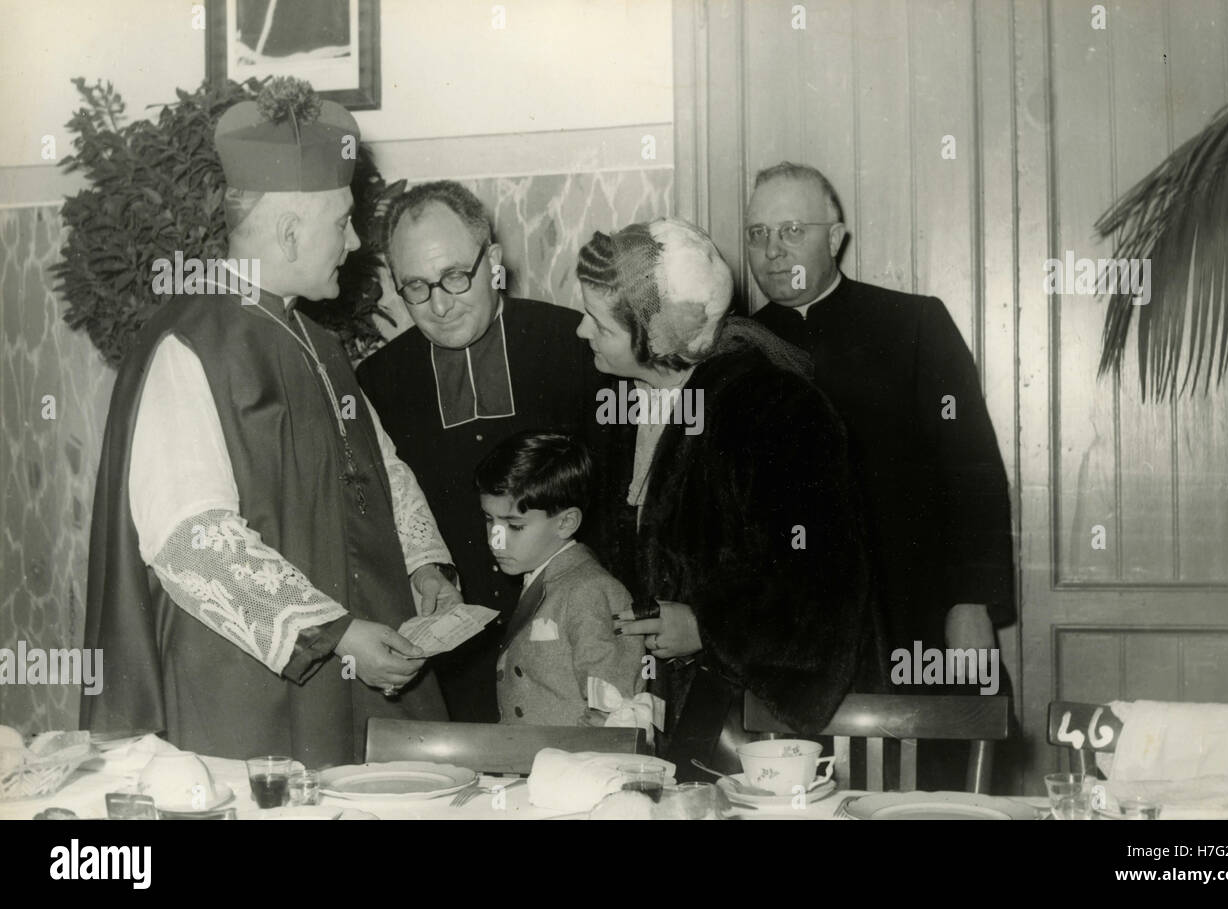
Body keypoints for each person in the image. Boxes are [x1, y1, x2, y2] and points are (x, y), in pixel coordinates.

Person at [82, 80, 460, 766]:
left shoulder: (319, 340)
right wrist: (339, 635)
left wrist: (425, 564)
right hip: (241, 697)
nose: (351, 243)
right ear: (289, 230)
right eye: (342, 221)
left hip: (350, 671)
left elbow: (382, 471)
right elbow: (190, 541)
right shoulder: (186, 344)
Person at [575, 217, 882, 776]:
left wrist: (705, 627)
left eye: (597, 320)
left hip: (759, 732)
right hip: (666, 709)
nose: (580, 331)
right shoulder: (627, 402)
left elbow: (825, 589)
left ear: (655, 334)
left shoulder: (777, 410)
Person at [744, 161, 1016, 787]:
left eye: (791, 228)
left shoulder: (916, 325)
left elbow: (972, 473)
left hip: (917, 615)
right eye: (757, 233)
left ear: (834, 236)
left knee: (941, 795)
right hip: (792, 638)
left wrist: (972, 603)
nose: (772, 248)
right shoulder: (736, 348)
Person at [357, 181, 609, 723]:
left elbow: (615, 508)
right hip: (450, 667)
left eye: (455, 276)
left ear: (492, 261)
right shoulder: (379, 380)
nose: (440, 305)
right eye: (416, 287)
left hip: (570, 655)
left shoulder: (575, 347)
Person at [475, 431, 644, 726]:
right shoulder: (546, 578)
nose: (495, 540)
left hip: (569, 765)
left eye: (514, 526)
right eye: (490, 520)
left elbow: (613, 715)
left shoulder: (590, 590)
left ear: (566, 522)